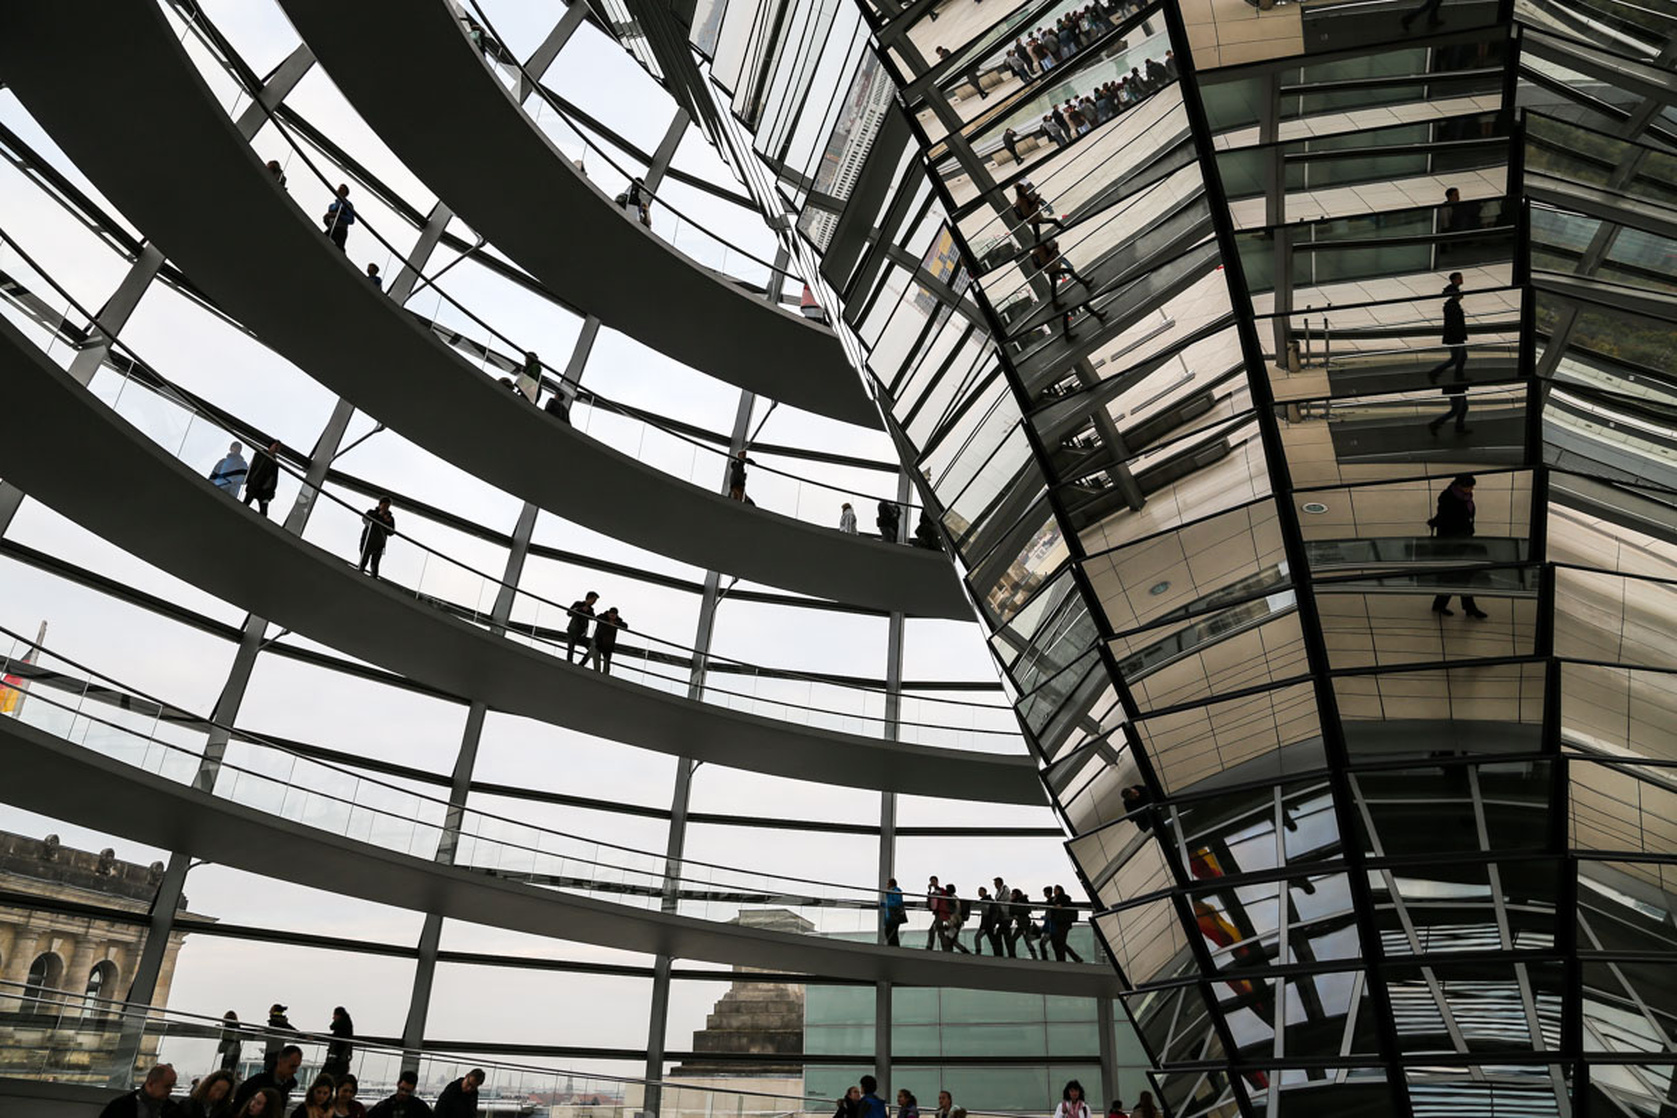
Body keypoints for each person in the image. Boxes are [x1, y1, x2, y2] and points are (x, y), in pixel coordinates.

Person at [1429, 474, 1487, 619]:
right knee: (1459, 575)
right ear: (1460, 485)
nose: (1472, 489)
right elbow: (1445, 518)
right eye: (1470, 486)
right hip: (1452, 544)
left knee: (1459, 575)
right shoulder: (1448, 498)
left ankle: (1445, 604)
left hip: (1463, 541)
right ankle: (1466, 607)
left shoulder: (1464, 497)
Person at [1426, 272, 1469, 389]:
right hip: (1455, 335)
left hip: (1456, 335)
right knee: (1456, 357)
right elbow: (1454, 323)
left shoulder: (1453, 300)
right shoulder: (1451, 302)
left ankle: (1457, 376)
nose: (1461, 279)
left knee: (1462, 356)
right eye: (1459, 278)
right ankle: (1435, 373)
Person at [235, 1045, 302, 1111]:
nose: (295, 1071)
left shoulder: (287, 1086)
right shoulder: (255, 1083)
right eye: (292, 1066)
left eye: (297, 1067)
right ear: (280, 1061)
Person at [102, 1065, 182, 1118]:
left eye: (172, 1086)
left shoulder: (173, 1110)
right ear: (151, 1083)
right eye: (167, 1086)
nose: (170, 1090)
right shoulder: (119, 1107)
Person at [357, 496, 396, 578]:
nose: (386, 508)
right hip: (368, 539)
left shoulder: (390, 518)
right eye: (385, 506)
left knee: (375, 564)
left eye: (388, 507)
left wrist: (387, 523)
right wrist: (378, 515)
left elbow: (391, 532)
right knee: (364, 559)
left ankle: (373, 578)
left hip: (379, 543)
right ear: (380, 505)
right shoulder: (371, 512)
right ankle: (359, 575)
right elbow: (365, 520)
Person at [366, 1072, 432, 1118]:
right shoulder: (383, 1106)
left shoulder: (421, 1108)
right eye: (402, 1089)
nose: (403, 1093)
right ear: (398, 1084)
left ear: (413, 1089)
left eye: (407, 1091)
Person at [242, 441, 281, 517]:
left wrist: (270, 491)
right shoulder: (260, 455)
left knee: (263, 512)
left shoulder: (274, 462)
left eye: (278, 447)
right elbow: (252, 468)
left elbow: (274, 478)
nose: (277, 448)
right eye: (276, 445)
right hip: (254, 485)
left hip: (264, 489)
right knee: (246, 504)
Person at [1050, 885, 1086, 961]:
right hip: (1058, 923)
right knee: (1058, 942)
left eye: (1056, 890)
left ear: (1060, 890)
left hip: (1063, 923)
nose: (1054, 891)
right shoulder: (1054, 899)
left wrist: (1061, 905)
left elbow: (1067, 904)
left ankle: (1065, 958)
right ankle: (1065, 958)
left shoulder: (1064, 898)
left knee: (1060, 942)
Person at [585, 606, 626, 674]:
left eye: (614, 615)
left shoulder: (618, 621)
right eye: (611, 614)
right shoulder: (603, 616)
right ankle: (597, 673)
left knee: (606, 665)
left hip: (608, 645)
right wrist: (607, 621)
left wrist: (616, 623)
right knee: (596, 662)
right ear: (608, 613)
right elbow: (597, 618)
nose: (612, 616)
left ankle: (604, 675)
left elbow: (625, 626)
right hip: (598, 642)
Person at [566, 592, 599, 662]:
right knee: (570, 650)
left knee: (593, 649)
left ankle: (581, 664)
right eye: (594, 600)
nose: (594, 602)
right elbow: (569, 613)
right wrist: (580, 609)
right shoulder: (578, 604)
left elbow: (593, 617)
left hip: (581, 633)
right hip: (573, 630)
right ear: (589, 598)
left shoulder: (590, 609)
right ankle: (570, 664)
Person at [1008, 887, 1039, 958]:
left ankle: (1012, 956)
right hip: (1024, 923)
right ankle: (1034, 957)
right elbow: (1012, 912)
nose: (1012, 895)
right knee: (1027, 941)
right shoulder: (1015, 902)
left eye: (1013, 894)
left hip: (1023, 924)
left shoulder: (1021, 901)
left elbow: (1027, 910)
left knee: (1013, 940)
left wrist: (1017, 913)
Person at [324, 1006, 354, 1078]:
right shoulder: (347, 1023)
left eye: (334, 1015)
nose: (333, 1018)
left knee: (327, 1074)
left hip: (338, 1055)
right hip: (342, 1055)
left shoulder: (341, 1023)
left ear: (339, 1015)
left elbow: (332, 1027)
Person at [974, 885, 1006, 955]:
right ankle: (997, 954)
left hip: (987, 924)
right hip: (989, 925)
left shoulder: (986, 902)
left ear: (984, 892)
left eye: (980, 891)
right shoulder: (988, 901)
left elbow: (987, 914)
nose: (979, 893)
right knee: (991, 940)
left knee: (978, 937)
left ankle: (978, 952)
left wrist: (987, 925)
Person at [940, 883, 972, 953]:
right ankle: (964, 952)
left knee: (950, 939)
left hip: (955, 922)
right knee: (952, 939)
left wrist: (950, 922)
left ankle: (965, 952)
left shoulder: (951, 899)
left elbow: (955, 912)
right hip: (957, 922)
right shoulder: (955, 898)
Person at [324, 184, 356, 252]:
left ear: (345, 193)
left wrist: (338, 216)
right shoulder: (332, 206)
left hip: (341, 229)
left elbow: (351, 220)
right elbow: (328, 221)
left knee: (339, 248)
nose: (339, 191)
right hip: (331, 227)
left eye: (342, 190)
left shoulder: (347, 204)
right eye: (339, 189)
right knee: (323, 239)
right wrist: (326, 219)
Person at [262, 1005, 293, 1072]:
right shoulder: (283, 1022)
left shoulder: (275, 1022)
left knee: (268, 1073)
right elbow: (294, 1032)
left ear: (274, 1011)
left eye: (271, 1010)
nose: (269, 1012)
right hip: (278, 1053)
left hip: (272, 1053)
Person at [882, 876, 907, 946]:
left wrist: (888, 905)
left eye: (887, 884)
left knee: (891, 933)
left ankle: (894, 947)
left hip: (893, 916)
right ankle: (892, 946)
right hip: (890, 916)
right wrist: (883, 904)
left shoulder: (895, 891)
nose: (886, 885)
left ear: (890, 884)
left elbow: (897, 902)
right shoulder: (891, 892)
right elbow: (890, 903)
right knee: (890, 932)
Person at [924, 874, 945, 949]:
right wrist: (929, 891)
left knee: (934, 931)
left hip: (940, 913)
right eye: (931, 881)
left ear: (937, 882)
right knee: (940, 932)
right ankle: (945, 948)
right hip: (938, 913)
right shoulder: (934, 892)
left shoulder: (941, 890)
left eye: (933, 881)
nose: (932, 883)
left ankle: (930, 947)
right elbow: (929, 902)